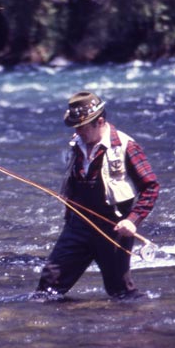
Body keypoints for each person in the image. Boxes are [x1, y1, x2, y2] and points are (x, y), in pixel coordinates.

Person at [36, 91, 159, 299]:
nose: (77, 131)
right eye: (75, 126)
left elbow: (151, 186)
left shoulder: (126, 146)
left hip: (114, 228)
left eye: (81, 126)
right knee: (48, 287)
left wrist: (132, 221)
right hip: (78, 226)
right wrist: (69, 220)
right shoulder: (77, 144)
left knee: (120, 292)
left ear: (99, 121)